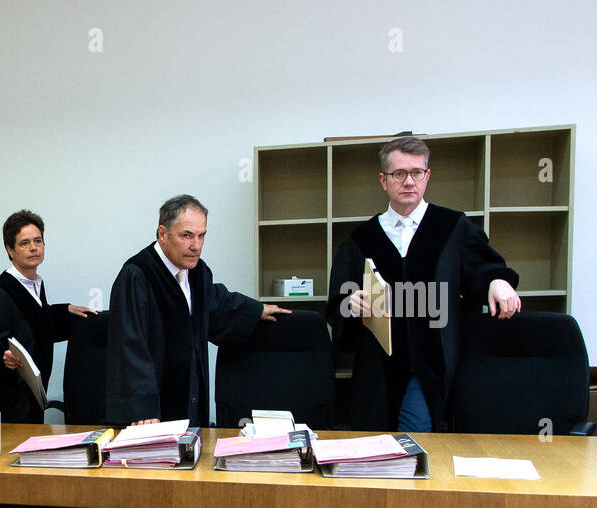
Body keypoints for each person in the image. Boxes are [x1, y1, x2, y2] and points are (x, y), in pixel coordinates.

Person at [326, 136, 521, 431]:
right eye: (398, 174)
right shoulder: (360, 239)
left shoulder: (452, 227)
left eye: (417, 172)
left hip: (433, 362)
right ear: (383, 180)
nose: (408, 181)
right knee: (375, 448)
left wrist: (498, 281)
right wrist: (351, 304)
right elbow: (338, 303)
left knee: (418, 437)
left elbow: (483, 269)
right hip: (378, 368)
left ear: (427, 176)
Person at [106, 195, 287, 426]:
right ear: (163, 234)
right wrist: (142, 408)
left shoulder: (198, 272)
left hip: (190, 399)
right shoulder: (137, 275)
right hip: (151, 414)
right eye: (187, 236)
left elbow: (216, 304)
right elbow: (129, 347)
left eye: (202, 236)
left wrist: (255, 310)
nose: (196, 246)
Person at [0, 210, 96, 423]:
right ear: (10, 250)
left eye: (38, 241)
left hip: (30, 398)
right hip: (6, 403)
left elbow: (32, 323)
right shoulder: (0, 292)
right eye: (24, 243)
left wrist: (64, 311)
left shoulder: (35, 283)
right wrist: (1, 356)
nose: (33, 248)